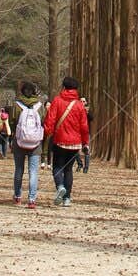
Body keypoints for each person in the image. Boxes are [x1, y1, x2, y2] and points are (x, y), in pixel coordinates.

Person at [44, 77, 90, 207]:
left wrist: (47, 133)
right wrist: (85, 142)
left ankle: (60, 187)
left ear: (63, 87)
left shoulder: (57, 101)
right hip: (75, 143)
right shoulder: (79, 105)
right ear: (76, 89)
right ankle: (67, 199)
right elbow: (84, 126)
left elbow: (50, 120)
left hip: (59, 140)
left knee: (57, 167)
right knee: (68, 170)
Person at [11, 80, 45, 207]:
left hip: (19, 141)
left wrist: (13, 138)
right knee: (33, 172)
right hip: (35, 143)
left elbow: (12, 122)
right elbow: (43, 122)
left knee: (19, 170)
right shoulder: (40, 106)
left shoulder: (16, 105)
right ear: (35, 92)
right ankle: (31, 199)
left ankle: (18, 196)